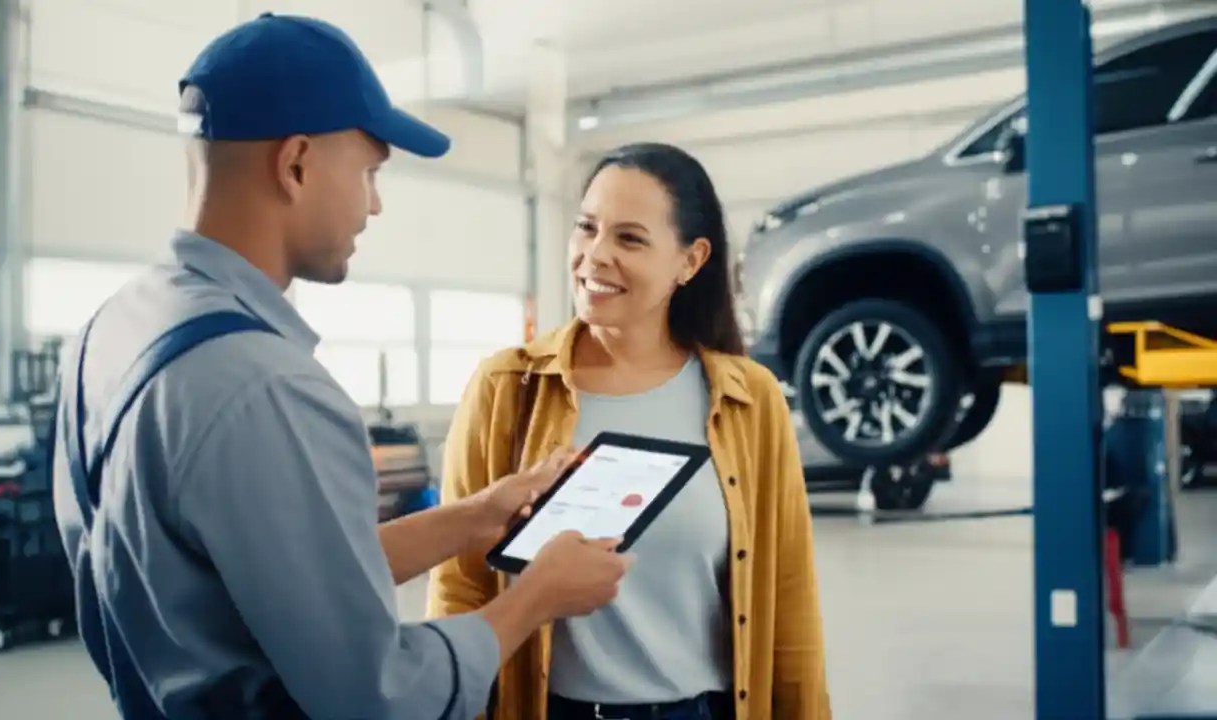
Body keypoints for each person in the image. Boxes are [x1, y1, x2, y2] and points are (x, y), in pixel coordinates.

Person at [50, 12, 629, 720]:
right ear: (296, 164)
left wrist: (474, 517)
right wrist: (537, 599)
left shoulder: (107, 333)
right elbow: (374, 696)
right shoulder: (268, 387)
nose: (375, 203)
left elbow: (267, 580)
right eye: (369, 172)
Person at [428, 143, 832, 720]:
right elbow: (460, 586)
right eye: (586, 228)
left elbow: (788, 599)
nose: (595, 255)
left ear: (690, 262)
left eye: (630, 239)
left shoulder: (749, 398)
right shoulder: (508, 387)